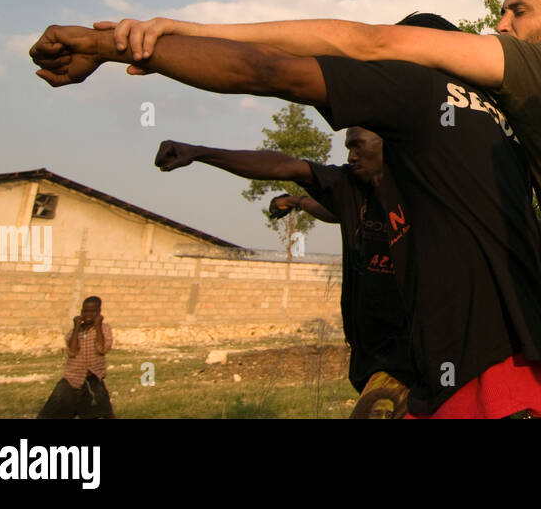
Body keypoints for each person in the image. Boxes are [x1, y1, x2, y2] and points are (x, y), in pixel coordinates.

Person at [44, 0, 541, 418]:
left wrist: (140, 38)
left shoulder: (524, 75)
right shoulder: (529, 126)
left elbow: (306, 58)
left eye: (515, 12)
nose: (500, 26)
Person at [30, 13, 541, 419]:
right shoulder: (494, 125)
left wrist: (113, 45)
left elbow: (270, 70)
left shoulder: (417, 87)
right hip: (529, 382)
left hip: (489, 392)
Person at [154, 130, 415, 419]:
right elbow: (287, 167)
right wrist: (199, 152)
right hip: (367, 353)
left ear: (388, 143)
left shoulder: (424, 189)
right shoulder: (350, 186)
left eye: (358, 146)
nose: (351, 156)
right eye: (348, 147)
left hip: (410, 353)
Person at [38, 296, 114, 419]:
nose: (88, 315)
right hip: (72, 379)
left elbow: (102, 349)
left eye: (92, 311)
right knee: (50, 412)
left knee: (104, 411)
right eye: (85, 311)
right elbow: (72, 352)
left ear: (99, 312)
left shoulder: (104, 328)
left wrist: (98, 326)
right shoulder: (75, 331)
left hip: (93, 379)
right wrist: (77, 327)